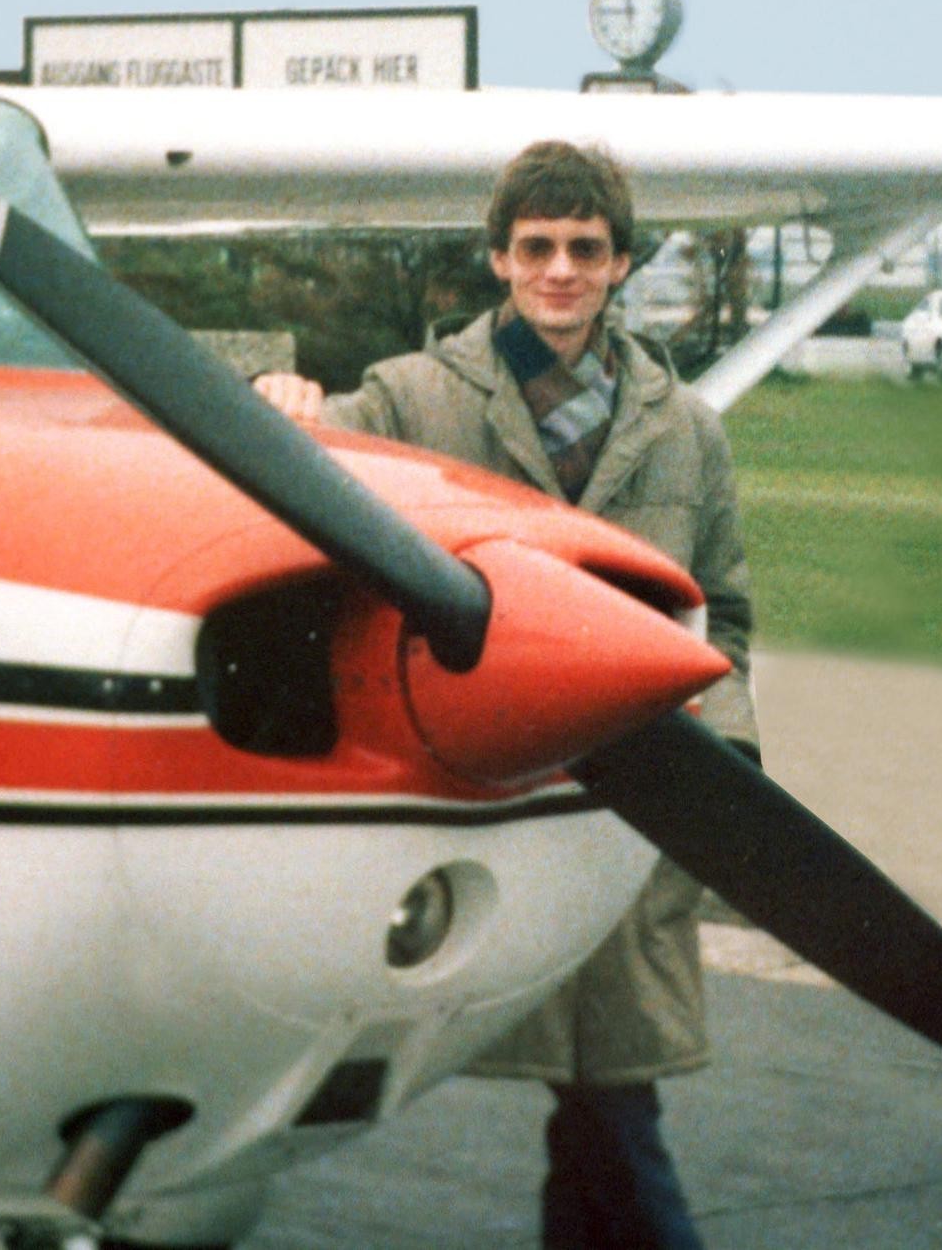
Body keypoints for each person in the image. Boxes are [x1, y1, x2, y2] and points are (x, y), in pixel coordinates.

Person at [253, 139, 756, 1250]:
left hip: (625, 804)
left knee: (610, 1092)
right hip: (481, 790)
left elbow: (723, 614)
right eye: (536, 248)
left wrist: (723, 763)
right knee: (599, 1106)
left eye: (585, 248)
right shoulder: (410, 396)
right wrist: (280, 406)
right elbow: (307, 464)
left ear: (620, 263)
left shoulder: (687, 430)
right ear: (498, 259)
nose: (560, 270)